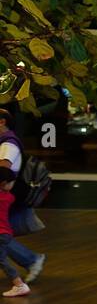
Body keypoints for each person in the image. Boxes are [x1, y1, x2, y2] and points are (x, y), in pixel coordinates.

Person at [0, 109, 45, 283]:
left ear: (2, 122)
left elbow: (3, 171)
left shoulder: (8, 144)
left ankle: (31, 260)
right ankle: (31, 260)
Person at [0, 169, 30, 298]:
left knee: (1, 260)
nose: (13, 186)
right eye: (12, 183)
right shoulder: (8, 197)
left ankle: (19, 284)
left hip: (1, 234)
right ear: (4, 183)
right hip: (5, 233)